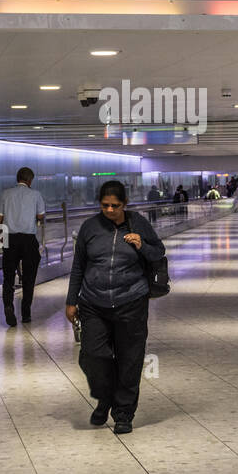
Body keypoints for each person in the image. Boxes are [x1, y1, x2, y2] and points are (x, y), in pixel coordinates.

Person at [64, 181, 166, 434]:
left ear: (125, 204)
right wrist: (71, 300)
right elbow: (78, 266)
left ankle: (123, 413)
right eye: (105, 205)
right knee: (92, 354)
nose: (109, 210)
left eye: (115, 206)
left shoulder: (138, 223)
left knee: (130, 359)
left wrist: (141, 245)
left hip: (131, 300)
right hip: (93, 302)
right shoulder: (90, 227)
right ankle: (105, 396)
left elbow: (159, 252)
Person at [0, 167, 46, 327]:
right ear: (30, 180)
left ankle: (8, 306)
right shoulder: (36, 194)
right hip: (28, 239)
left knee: (8, 277)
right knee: (29, 278)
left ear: (17, 178)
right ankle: (26, 313)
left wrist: (0, 239)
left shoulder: (5, 194)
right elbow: (40, 216)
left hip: (10, 238)